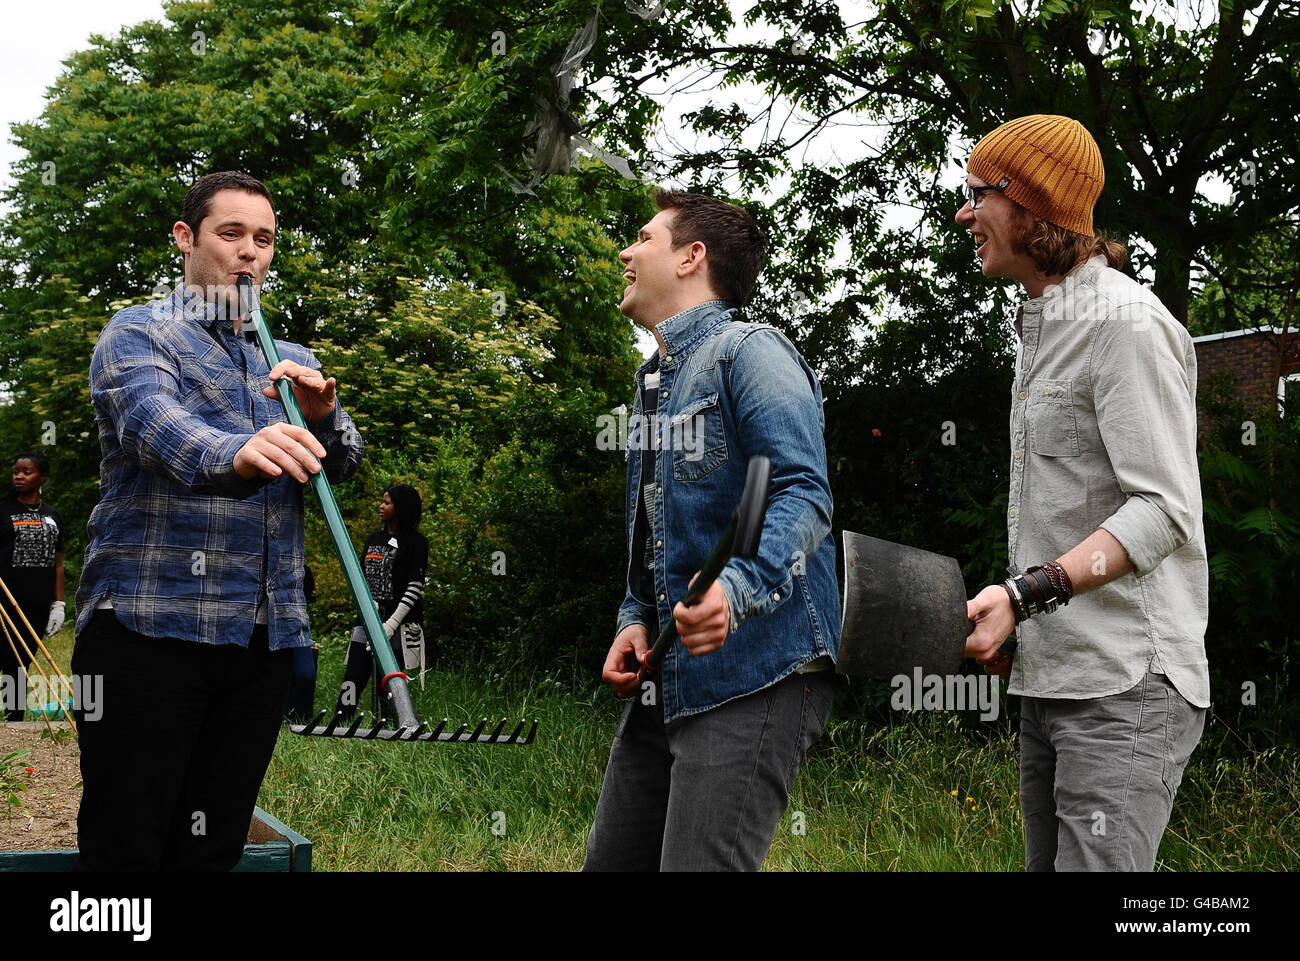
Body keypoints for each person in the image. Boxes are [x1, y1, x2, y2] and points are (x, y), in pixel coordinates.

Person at [72, 170, 364, 871]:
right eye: (230, 233)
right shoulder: (140, 332)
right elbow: (157, 429)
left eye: (263, 239)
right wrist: (241, 451)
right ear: (185, 237)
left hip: (261, 643)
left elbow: (343, 466)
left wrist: (325, 421)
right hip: (148, 632)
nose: (249, 253)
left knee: (210, 852)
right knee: (126, 853)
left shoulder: (291, 360)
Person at [957, 115, 1209, 872]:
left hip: (1126, 685)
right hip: (1055, 679)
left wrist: (1025, 592)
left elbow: (1165, 511)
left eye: (980, 193)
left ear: (1032, 205)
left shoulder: (1125, 323)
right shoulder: (1041, 328)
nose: (964, 213)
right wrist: (1018, 623)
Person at [582, 189, 841, 872]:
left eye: (643, 237)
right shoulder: (651, 386)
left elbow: (802, 492)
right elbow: (653, 537)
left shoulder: (747, 352)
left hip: (757, 671)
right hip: (668, 676)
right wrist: (632, 618)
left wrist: (738, 585)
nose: (625, 251)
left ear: (692, 256)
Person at [334, 483, 428, 720]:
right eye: (382, 501)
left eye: (387, 502)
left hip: (399, 624)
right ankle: (340, 723)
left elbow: (415, 586)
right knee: (354, 675)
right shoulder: (374, 538)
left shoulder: (416, 543)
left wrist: (391, 624)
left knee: (388, 681)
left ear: (401, 508)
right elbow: (361, 576)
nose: (381, 506)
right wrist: (368, 606)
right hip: (369, 618)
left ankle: (391, 727)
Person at [0, 452, 66, 722]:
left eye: (26, 472)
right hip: (5, 599)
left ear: (42, 478)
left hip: (37, 601)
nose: (18, 476)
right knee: (8, 657)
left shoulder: (53, 516)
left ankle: (14, 718)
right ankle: (13, 716)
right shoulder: (2, 510)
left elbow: (59, 562)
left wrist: (59, 604)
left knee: (22, 660)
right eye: (16, 471)